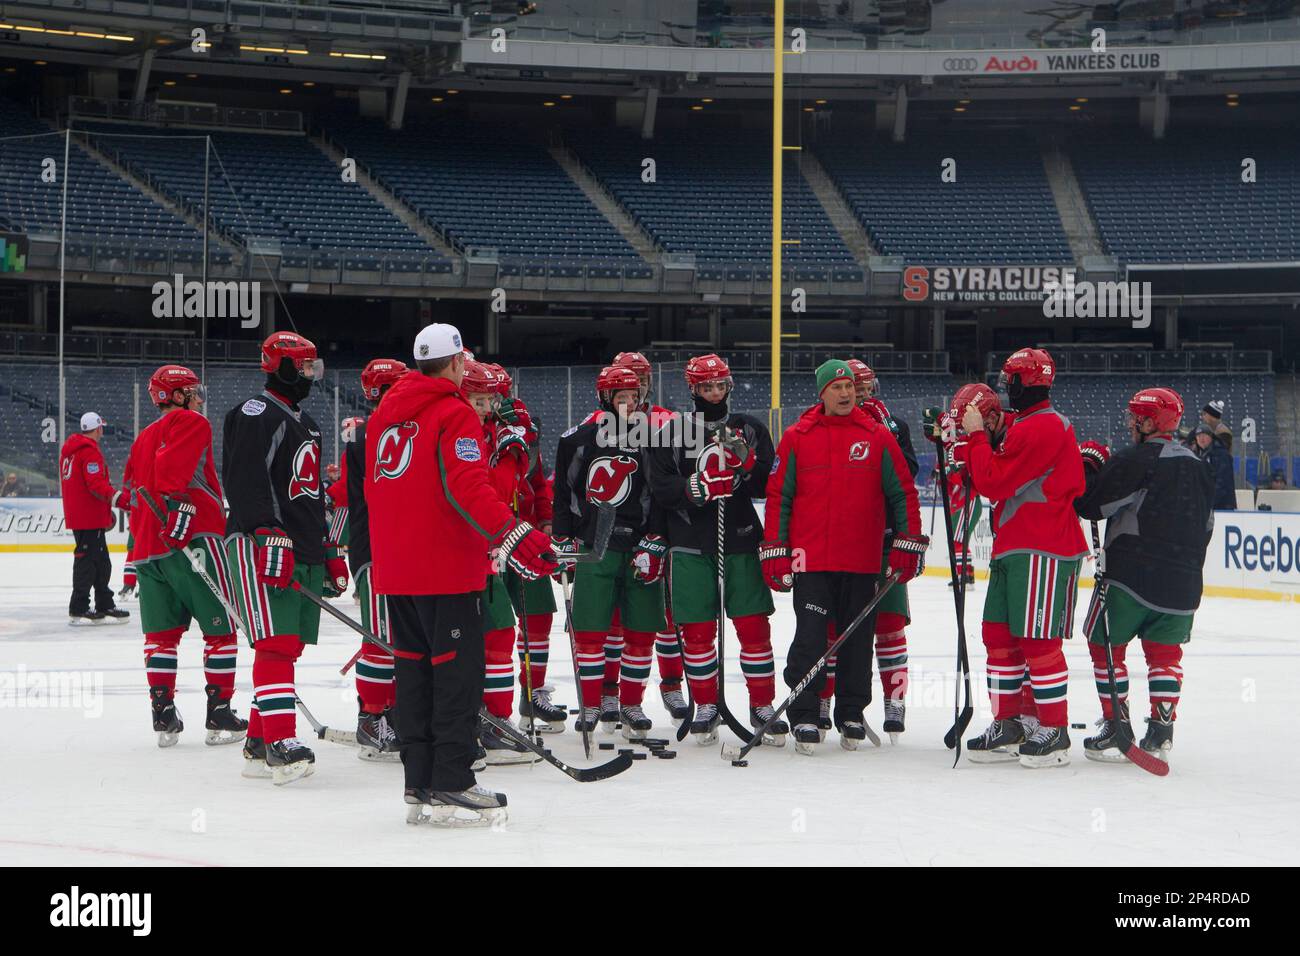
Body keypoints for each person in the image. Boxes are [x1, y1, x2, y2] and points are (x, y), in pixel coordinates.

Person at [366, 323, 557, 827]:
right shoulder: (454, 413)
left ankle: (420, 779)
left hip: (397, 572)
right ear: (454, 364)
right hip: (445, 570)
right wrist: (517, 535)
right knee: (455, 677)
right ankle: (453, 779)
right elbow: (467, 488)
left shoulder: (383, 418)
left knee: (413, 672)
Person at [762, 360, 926, 755]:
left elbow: (903, 492)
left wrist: (909, 540)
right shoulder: (797, 437)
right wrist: (775, 550)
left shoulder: (877, 436)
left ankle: (851, 712)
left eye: (849, 386)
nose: (845, 393)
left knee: (857, 641)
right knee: (811, 638)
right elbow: (778, 497)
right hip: (811, 558)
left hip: (861, 558)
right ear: (822, 392)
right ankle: (804, 714)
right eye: (836, 387)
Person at [956, 347, 1087, 768]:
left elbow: (994, 482)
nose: (1004, 388)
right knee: (998, 634)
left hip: (1043, 546)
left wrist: (977, 436)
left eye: (1007, 381)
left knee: (1037, 641)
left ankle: (1054, 728)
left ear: (1021, 382)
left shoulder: (1043, 427)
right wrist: (976, 429)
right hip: (1016, 546)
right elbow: (1001, 451)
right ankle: (1010, 722)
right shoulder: (1029, 424)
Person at [646, 353, 784, 743]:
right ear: (693, 389)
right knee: (698, 631)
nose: (714, 392)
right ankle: (705, 703)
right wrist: (697, 489)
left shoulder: (749, 428)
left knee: (754, 627)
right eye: (706, 387)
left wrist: (746, 461)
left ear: (730, 386)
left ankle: (762, 704)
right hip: (689, 543)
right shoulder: (671, 433)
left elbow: (765, 485)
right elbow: (661, 490)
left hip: (739, 538)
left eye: (720, 385)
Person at [222, 331, 339, 785]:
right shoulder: (255, 414)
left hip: (299, 545)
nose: (310, 375)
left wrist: (326, 550)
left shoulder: (306, 422)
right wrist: (268, 532)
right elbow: (246, 478)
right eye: (304, 366)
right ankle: (279, 742)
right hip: (263, 542)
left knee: (287, 645)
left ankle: (257, 738)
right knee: (273, 642)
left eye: (314, 367)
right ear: (282, 366)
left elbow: (312, 494)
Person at [1074, 388, 1213, 764]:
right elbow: (1207, 526)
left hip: (1131, 577)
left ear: (1150, 422)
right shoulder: (1200, 466)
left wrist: (1088, 469)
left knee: (1104, 645)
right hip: (1184, 583)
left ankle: (1115, 724)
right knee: (1165, 653)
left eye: (1135, 418)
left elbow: (1091, 507)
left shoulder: (1136, 458)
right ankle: (1162, 729)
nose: (1130, 424)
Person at [124, 364, 246, 748]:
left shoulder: (143, 436)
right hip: (192, 539)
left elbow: (133, 489)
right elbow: (170, 474)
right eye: (192, 391)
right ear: (175, 395)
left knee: (161, 637)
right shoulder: (191, 423)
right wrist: (179, 507)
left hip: (148, 546)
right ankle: (219, 712)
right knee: (221, 629)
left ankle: (163, 713)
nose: (198, 398)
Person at [554, 364, 668, 739]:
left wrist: (655, 537)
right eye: (622, 397)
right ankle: (590, 703)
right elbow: (565, 493)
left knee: (640, 631)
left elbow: (659, 495)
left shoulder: (650, 440)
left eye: (634, 397)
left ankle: (631, 704)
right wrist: (563, 538)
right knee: (589, 631)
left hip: (636, 545)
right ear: (604, 398)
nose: (630, 403)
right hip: (593, 547)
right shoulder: (579, 439)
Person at [325, 358, 407, 761]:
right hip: (375, 551)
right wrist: (334, 546)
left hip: (399, 548)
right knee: (380, 638)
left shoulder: (384, 432)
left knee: (397, 637)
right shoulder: (367, 435)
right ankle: (371, 719)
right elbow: (352, 495)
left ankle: (391, 714)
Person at [483, 364, 569, 733]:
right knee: (496, 624)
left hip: (527, 536)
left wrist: (547, 520)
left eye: (503, 394)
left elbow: (537, 478)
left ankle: (531, 693)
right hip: (493, 539)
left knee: (537, 616)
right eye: (493, 395)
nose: (499, 402)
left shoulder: (521, 425)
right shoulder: (469, 427)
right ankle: (488, 701)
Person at [461, 359, 539, 765]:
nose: (486, 406)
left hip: (488, 555)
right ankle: (461, 726)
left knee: (499, 636)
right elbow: (482, 495)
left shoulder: (488, 430)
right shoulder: (459, 433)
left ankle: (494, 720)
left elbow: (509, 492)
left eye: (490, 399)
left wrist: (514, 451)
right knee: (461, 645)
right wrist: (510, 457)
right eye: (478, 398)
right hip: (459, 556)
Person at [60, 411, 129, 625]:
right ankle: (79, 607)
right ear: (98, 428)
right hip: (88, 517)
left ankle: (104, 603)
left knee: (101, 562)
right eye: (101, 428)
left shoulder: (70, 451)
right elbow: (96, 485)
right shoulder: (89, 452)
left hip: (84, 516)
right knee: (87, 562)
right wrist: (120, 499)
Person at [1189, 424, 1236, 510]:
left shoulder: (1221, 454)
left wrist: (1208, 502)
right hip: (1209, 506)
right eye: (1198, 436)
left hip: (1222, 506)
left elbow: (1222, 482)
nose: (1201, 438)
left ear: (1210, 437)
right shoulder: (1201, 455)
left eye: (1204, 435)